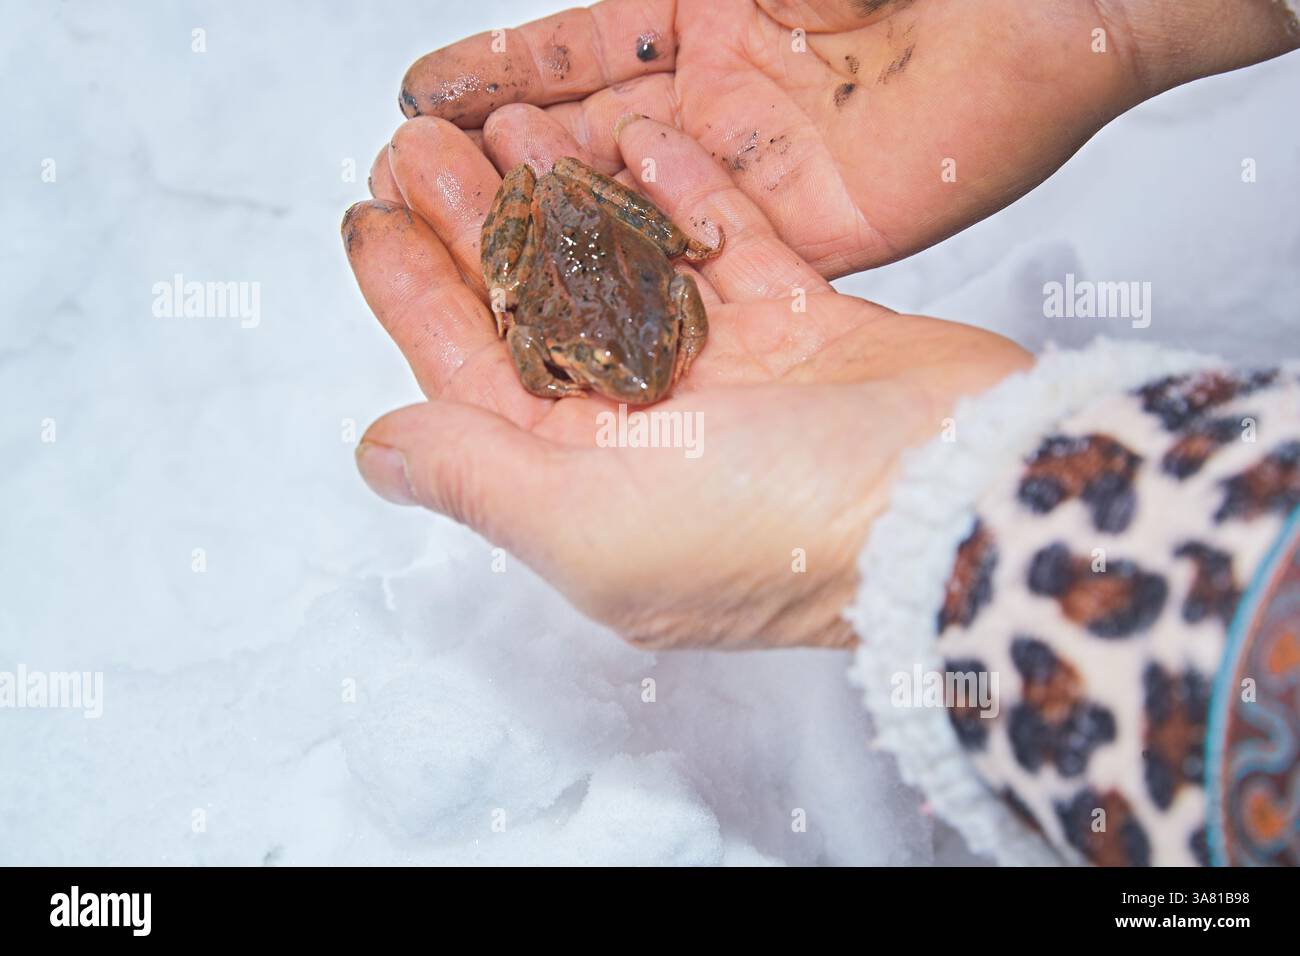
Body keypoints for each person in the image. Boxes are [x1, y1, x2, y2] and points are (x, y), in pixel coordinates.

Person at [341, 0, 1300, 866]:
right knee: (518, 260)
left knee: (636, 257)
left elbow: (675, 293)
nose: (643, 383)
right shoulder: (559, 335)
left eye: (655, 354)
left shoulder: (667, 315)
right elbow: (534, 341)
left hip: (613, 249)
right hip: (559, 250)